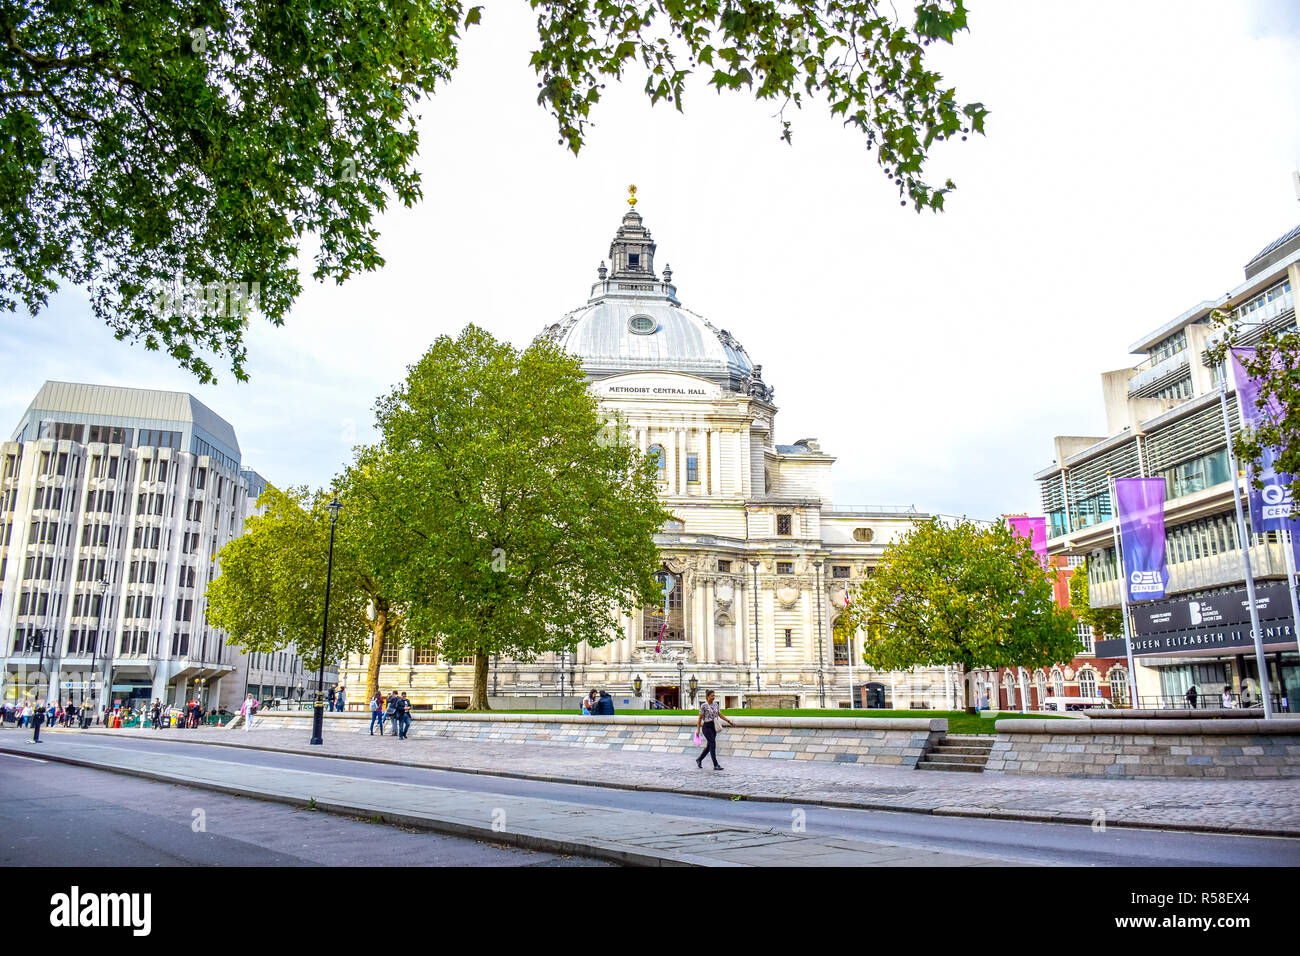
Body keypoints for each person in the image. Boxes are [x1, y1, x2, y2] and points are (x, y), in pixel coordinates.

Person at [694, 690, 734, 770]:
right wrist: (698, 730)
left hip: (714, 727)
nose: (713, 697)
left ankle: (699, 759)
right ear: (708, 697)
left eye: (714, 695)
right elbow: (699, 719)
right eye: (712, 696)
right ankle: (715, 764)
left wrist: (729, 721)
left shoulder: (716, 704)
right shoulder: (703, 706)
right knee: (712, 744)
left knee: (709, 746)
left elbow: (720, 714)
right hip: (706, 727)